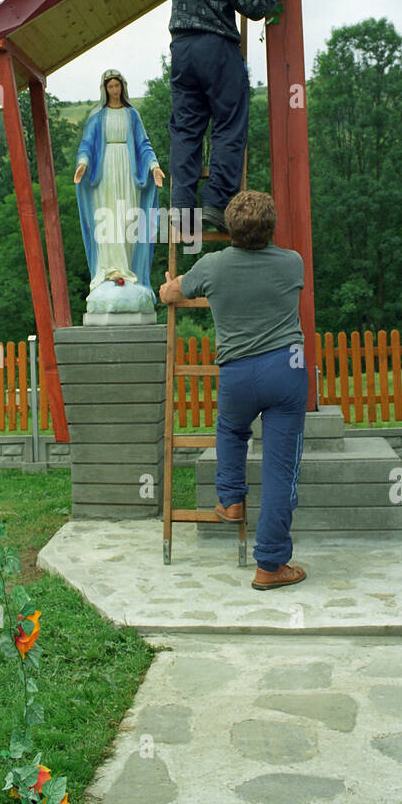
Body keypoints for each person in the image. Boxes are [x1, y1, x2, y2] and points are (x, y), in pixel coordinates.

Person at [159, 190, 307, 590]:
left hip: (237, 372)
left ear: (229, 230)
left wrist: (167, 288)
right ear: (271, 227)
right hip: (285, 369)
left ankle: (229, 499)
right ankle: (270, 565)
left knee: (230, 430)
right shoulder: (293, 263)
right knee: (280, 470)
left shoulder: (212, 266)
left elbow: (173, 293)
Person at [167, 0, 292, 231]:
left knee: (185, 129)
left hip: (181, 49)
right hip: (216, 50)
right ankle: (215, 204)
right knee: (228, 127)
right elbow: (253, 6)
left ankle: (181, 208)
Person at [74, 70, 164, 298]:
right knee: (107, 218)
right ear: (104, 90)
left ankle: (127, 269)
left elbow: (143, 144)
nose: (114, 91)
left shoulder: (132, 115)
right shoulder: (97, 116)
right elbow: (86, 143)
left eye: (117, 86)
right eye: (110, 87)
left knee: (127, 219)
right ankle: (109, 269)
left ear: (122, 87)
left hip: (127, 170)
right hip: (105, 173)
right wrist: (82, 164)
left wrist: (154, 166)